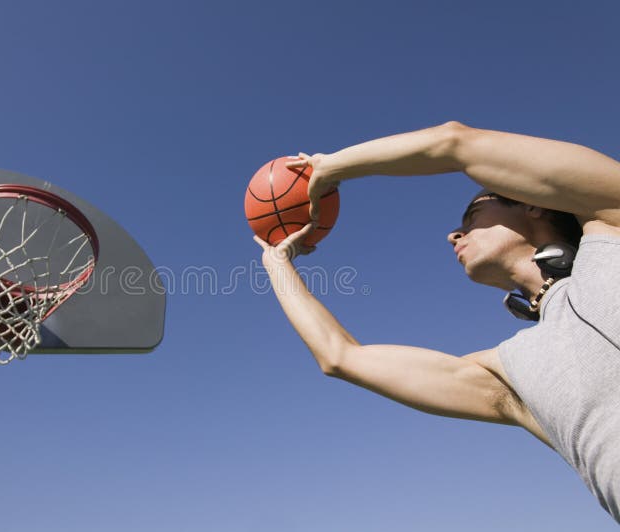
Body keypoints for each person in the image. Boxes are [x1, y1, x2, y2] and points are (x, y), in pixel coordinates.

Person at [253, 121, 620, 521]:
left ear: (530, 201)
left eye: (472, 216)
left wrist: (332, 167)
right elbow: (339, 356)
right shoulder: (508, 375)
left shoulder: (611, 225)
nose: (452, 235)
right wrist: (277, 264)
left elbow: (456, 144)